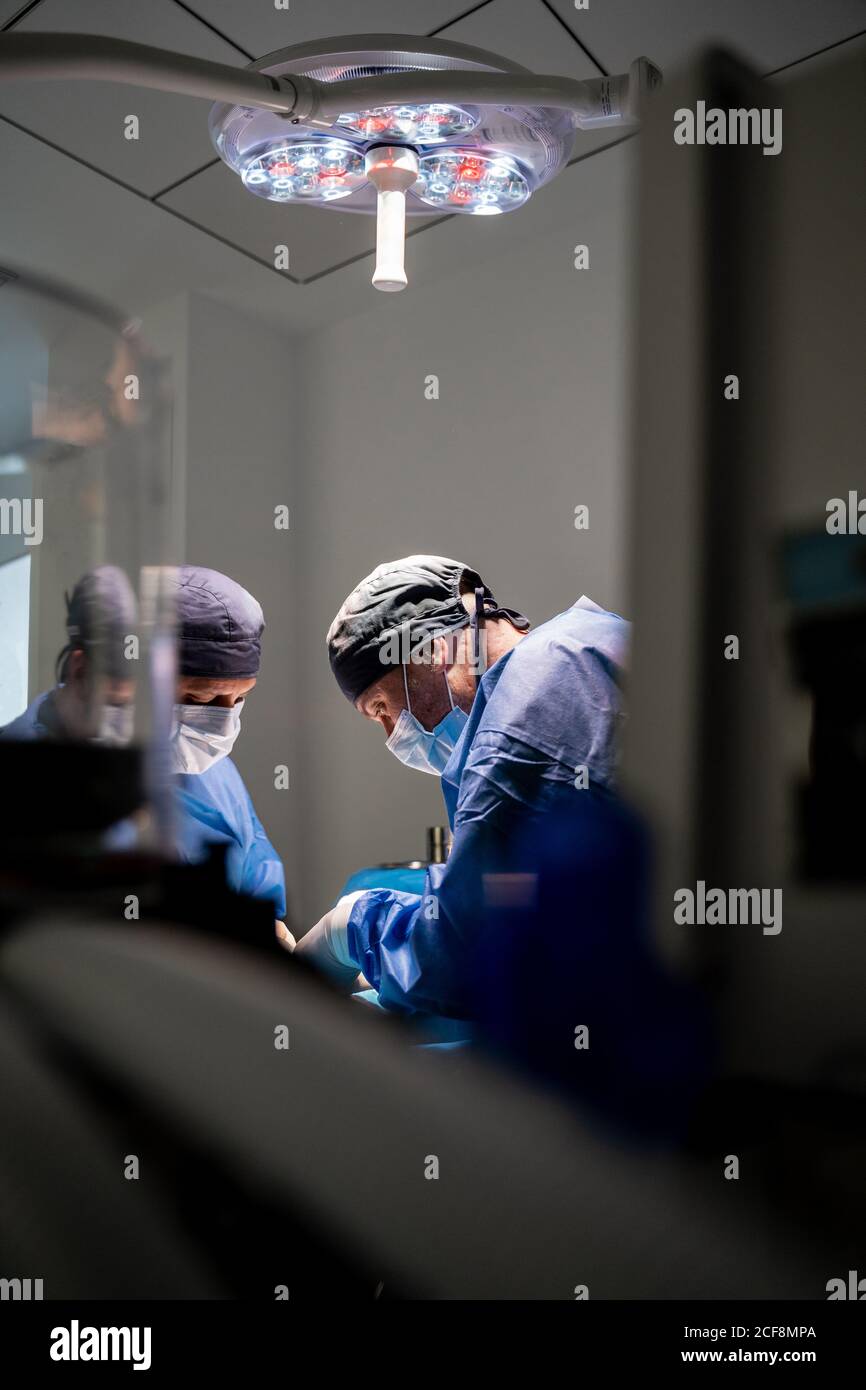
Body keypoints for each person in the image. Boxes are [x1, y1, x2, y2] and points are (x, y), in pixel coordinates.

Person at [294, 555, 629, 1017]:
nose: (392, 733)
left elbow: (461, 959)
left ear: (433, 652)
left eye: (381, 708)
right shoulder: (589, 636)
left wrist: (351, 927)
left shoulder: (513, 735)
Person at [1, 563, 286, 922]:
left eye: (240, 699)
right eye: (199, 700)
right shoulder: (19, 784)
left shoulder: (215, 777)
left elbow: (258, 888)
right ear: (84, 673)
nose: (222, 724)